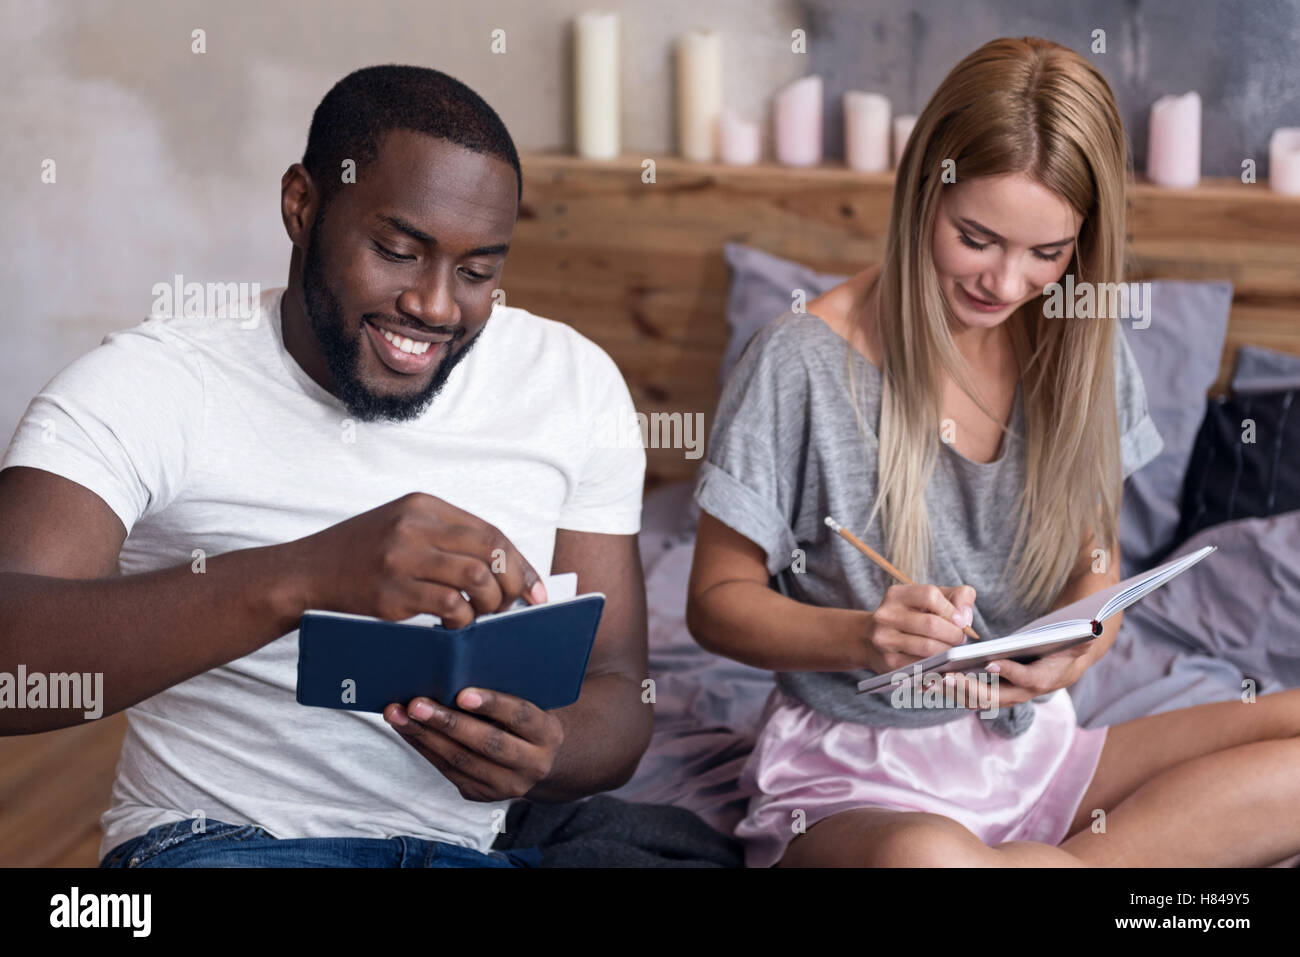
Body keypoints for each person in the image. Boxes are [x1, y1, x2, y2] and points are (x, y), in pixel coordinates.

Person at [0, 65, 651, 868]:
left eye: (478, 272)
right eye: (396, 251)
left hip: (468, 851)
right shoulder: (151, 383)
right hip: (221, 839)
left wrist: (549, 750)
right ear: (302, 205)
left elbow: (620, 688)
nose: (437, 305)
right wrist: (305, 576)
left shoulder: (571, 382)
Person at [686, 37, 1300, 867]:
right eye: (976, 237)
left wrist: (1079, 644)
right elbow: (715, 601)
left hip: (1038, 751)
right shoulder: (798, 359)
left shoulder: (1081, 343)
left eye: (1046, 254)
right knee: (930, 862)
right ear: (921, 193)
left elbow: (1097, 552)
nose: (1005, 285)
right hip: (857, 779)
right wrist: (861, 636)